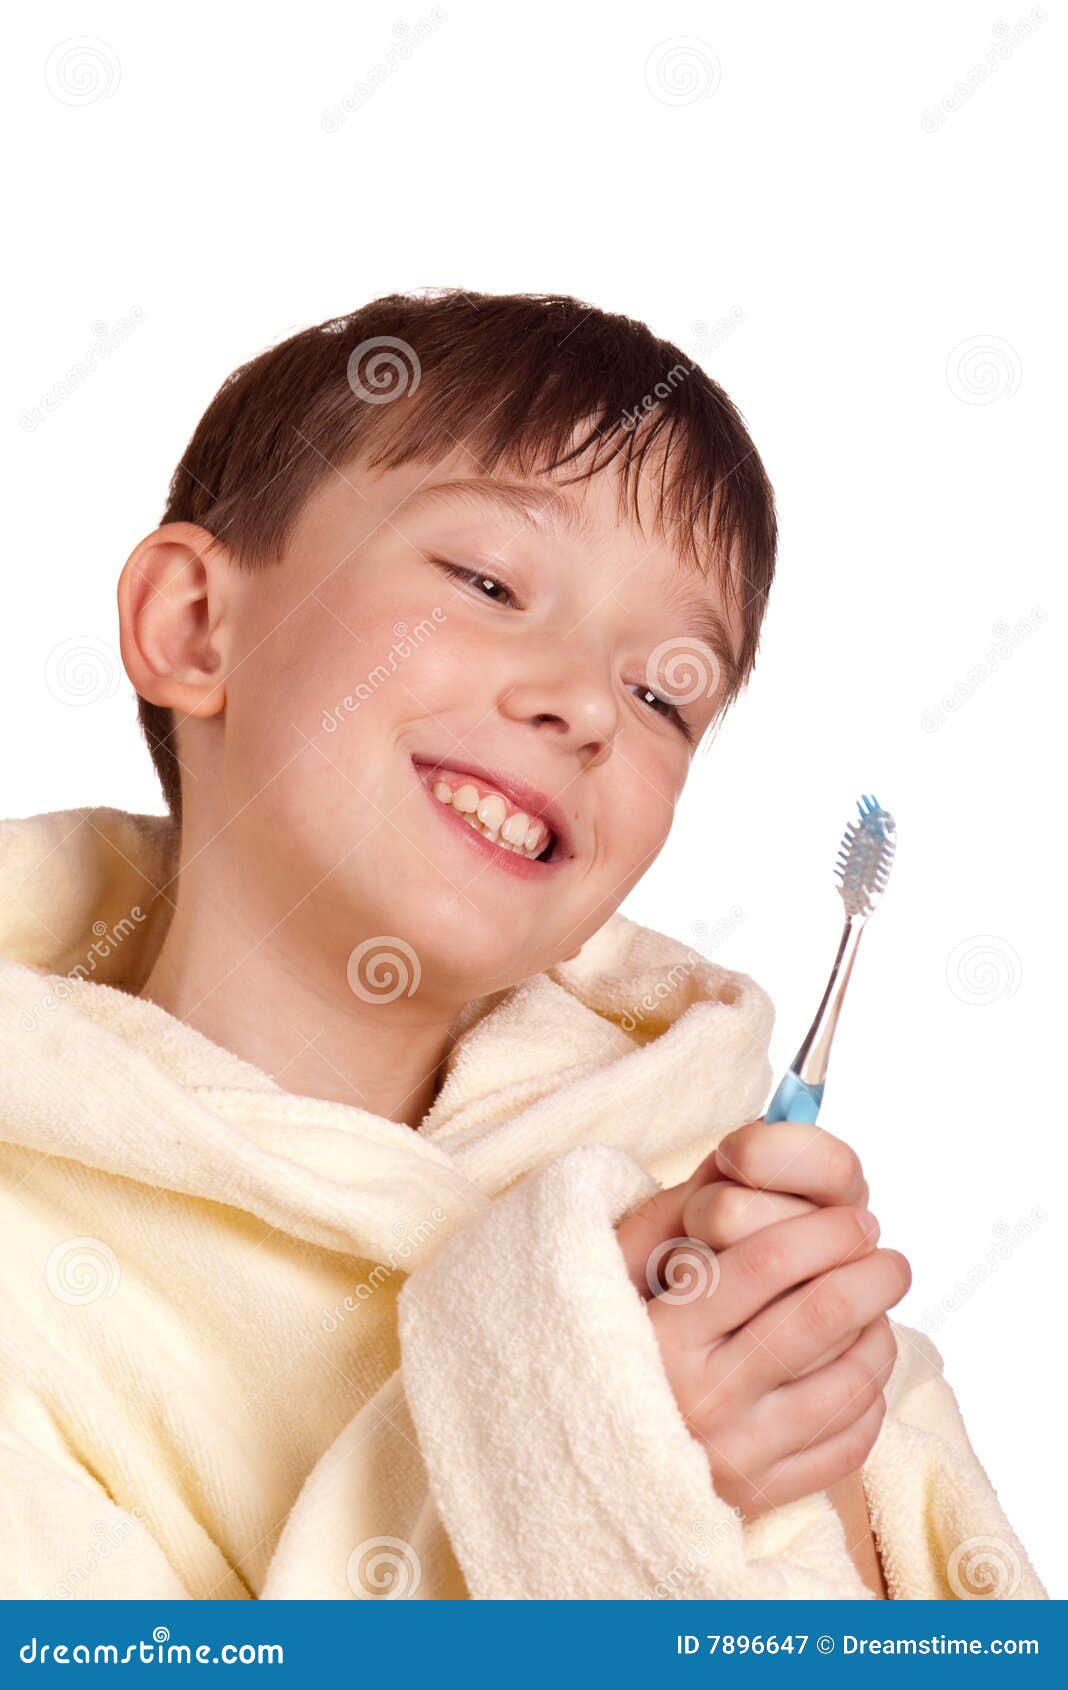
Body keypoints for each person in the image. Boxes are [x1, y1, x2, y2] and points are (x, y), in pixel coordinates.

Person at [0, 290, 1046, 1600]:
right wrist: (600, 1447)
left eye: (663, 691)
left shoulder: (716, 1221)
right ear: (195, 623)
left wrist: (808, 1494)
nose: (587, 707)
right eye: (489, 583)